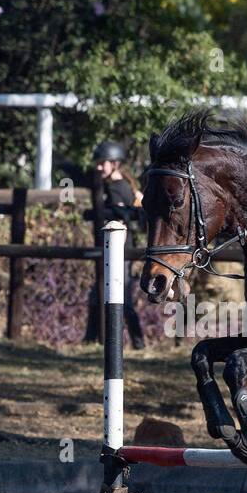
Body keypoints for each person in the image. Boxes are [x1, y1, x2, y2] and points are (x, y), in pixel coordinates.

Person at [85, 139, 146, 349]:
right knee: (97, 293)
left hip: (119, 249)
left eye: (103, 163)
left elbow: (121, 216)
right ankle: (90, 339)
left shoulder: (116, 188)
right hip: (119, 248)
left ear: (115, 164)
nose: (99, 167)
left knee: (122, 297)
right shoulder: (120, 185)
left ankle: (138, 342)